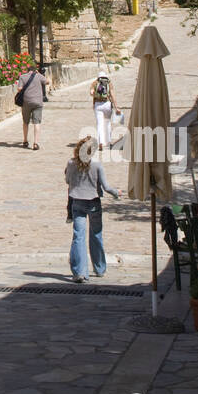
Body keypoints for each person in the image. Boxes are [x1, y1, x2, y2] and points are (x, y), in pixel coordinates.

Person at [65, 135, 120, 282]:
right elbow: (106, 187)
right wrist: (116, 193)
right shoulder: (97, 165)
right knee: (96, 235)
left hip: (77, 203)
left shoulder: (71, 163)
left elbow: (67, 180)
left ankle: (79, 272)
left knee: (78, 236)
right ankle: (100, 268)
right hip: (94, 203)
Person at [17, 61, 48, 150]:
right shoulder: (39, 76)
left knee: (25, 122)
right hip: (38, 102)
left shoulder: (22, 77)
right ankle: (35, 143)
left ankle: (25, 140)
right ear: (35, 70)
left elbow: (19, 89)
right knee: (36, 123)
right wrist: (40, 75)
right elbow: (47, 82)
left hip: (26, 102)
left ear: (28, 70)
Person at [90, 73, 120, 152]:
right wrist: (116, 107)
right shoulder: (109, 83)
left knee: (100, 124)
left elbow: (91, 93)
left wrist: (94, 97)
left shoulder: (95, 83)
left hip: (98, 105)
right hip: (107, 104)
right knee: (107, 124)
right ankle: (108, 142)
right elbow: (113, 96)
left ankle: (101, 142)